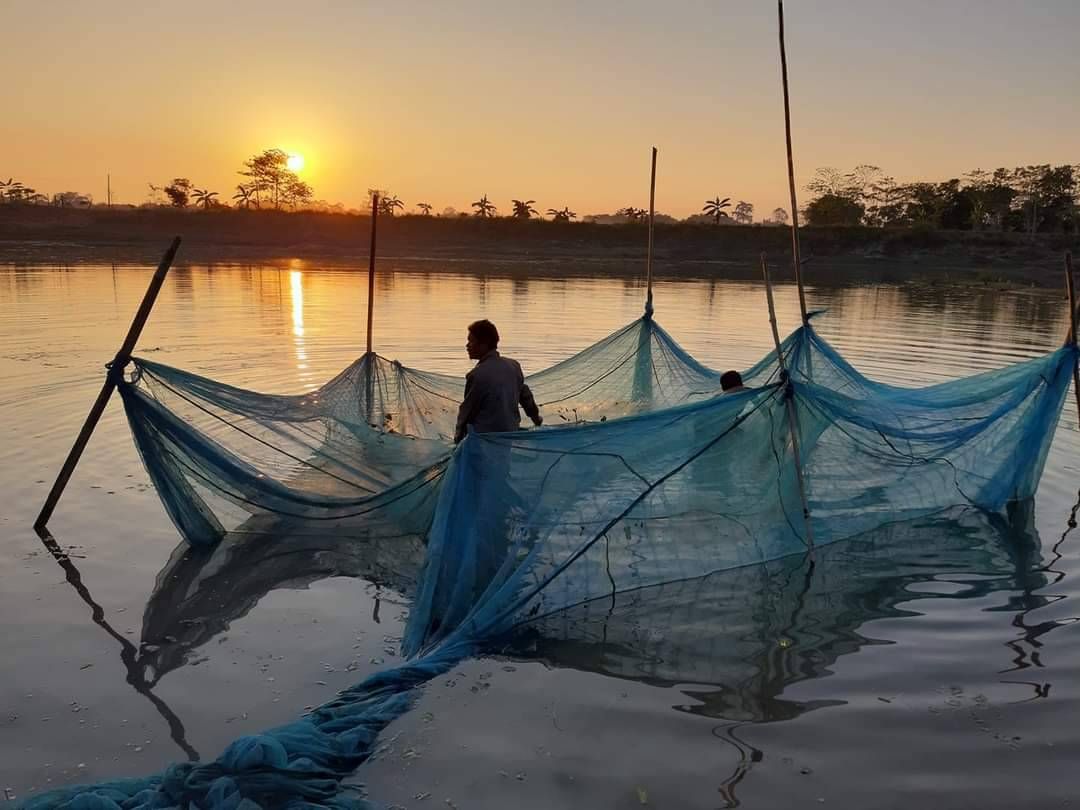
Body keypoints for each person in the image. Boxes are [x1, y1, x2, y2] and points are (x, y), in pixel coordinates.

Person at [454, 319, 543, 444]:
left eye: (471, 341)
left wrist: (457, 442)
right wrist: (536, 418)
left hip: (483, 441)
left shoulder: (477, 375)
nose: (467, 345)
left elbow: (466, 413)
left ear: (484, 344)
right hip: (508, 436)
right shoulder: (513, 366)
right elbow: (525, 396)